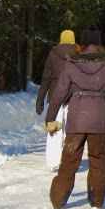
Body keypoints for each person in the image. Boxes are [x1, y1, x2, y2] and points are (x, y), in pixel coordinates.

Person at [44, 28, 105, 209]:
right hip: (99, 119)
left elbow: (59, 92)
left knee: (69, 159)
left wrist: (50, 116)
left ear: (81, 44)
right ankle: (97, 200)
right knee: (98, 159)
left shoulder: (72, 64)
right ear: (99, 43)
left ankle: (58, 199)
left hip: (77, 119)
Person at [37, 29, 77, 171]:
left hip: (54, 96)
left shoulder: (53, 55)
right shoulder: (78, 54)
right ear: (73, 40)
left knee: (54, 129)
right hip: (73, 95)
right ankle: (68, 160)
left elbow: (46, 77)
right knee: (71, 130)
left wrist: (40, 98)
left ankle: (53, 162)